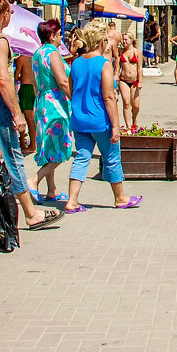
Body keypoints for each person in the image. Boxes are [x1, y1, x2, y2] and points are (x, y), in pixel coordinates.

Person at [0, 0, 62, 231]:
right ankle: (31, 213)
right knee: (12, 156)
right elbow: (4, 79)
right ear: (6, 14)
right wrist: (17, 114)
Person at [63, 23, 142, 214]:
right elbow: (108, 96)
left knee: (81, 158)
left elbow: (71, 90)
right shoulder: (103, 64)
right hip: (100, 120)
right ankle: (120, 197)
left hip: (79, 120)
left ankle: (72, 200)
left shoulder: (76, 63)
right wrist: (116, 126)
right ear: (101, 41)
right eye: (106, 39)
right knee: (112, 157)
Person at [31, 20, 74, 202]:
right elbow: (63, 81)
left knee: (49, 146)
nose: (61, 38)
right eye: (58, 34)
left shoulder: (37, 53)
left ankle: (52, 189)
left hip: (42, 101)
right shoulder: (52, 53)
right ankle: (34, 180)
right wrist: (75, 100)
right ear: (52, 36)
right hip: (56, 103)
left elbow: (35, 82)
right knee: (62, 147)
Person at [117, 33, 142, 129]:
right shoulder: (120, 51)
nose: (124, 42)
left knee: (135, 105)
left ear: (131, 40)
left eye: (126, 40)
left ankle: (134, 118)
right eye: (123, 40)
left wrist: (140, 81)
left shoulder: (137, 52)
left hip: (135, 81)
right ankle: (128, 126)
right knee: (126, 103)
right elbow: (117, 64)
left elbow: (139, 68)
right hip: (123, 80)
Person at [15, 53, 36, 155]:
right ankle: (29, 142)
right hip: (34, 87)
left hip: (25, 87)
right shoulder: (34, 58)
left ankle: (31, 145)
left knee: (27, 118)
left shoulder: (22, 58)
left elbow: (16, 74)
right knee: (31, 117)